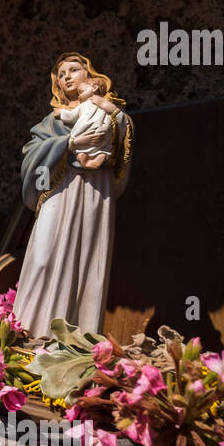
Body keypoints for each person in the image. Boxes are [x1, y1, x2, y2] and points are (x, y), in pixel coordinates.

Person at [12, 53, 134, 337]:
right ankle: (29, 333)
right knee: (43, 256)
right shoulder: (52, 119)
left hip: (94, 190)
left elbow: (122, 139)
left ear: (90, 76)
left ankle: (74, 339)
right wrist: (70, 143)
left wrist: (115, 116)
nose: (66, 76)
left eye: (74, 69)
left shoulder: (109, 111)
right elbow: (31, 153)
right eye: (61, 73)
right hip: (60, 186)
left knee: (87, 260)